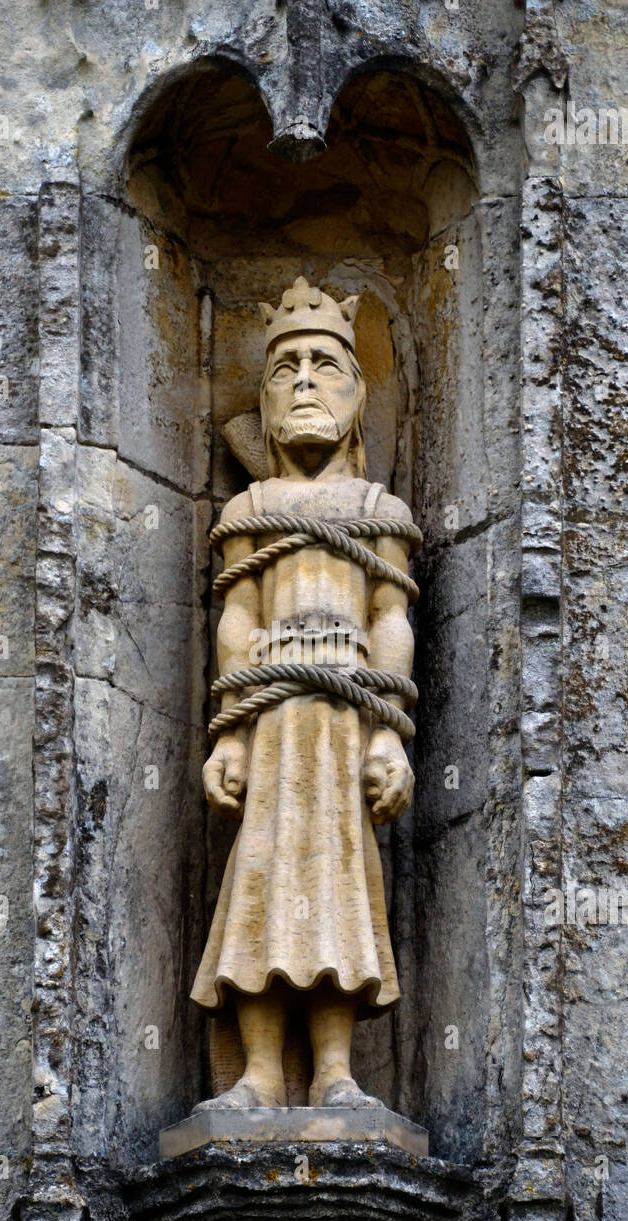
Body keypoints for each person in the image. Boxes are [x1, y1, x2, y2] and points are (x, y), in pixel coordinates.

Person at [190, 277, 417, 1108]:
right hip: (275, 719)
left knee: (337, 886)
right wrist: (231, 732)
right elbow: (237, 620)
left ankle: (334, 1074)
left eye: (325, 364)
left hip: (343, 722)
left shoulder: (375, 508)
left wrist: (387, 730)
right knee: (260, 883)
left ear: (356, 397)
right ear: (266, 398)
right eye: (286, 369)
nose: (306, 382)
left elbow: (391, 616)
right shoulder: (251, 507)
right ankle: (255, 1074)